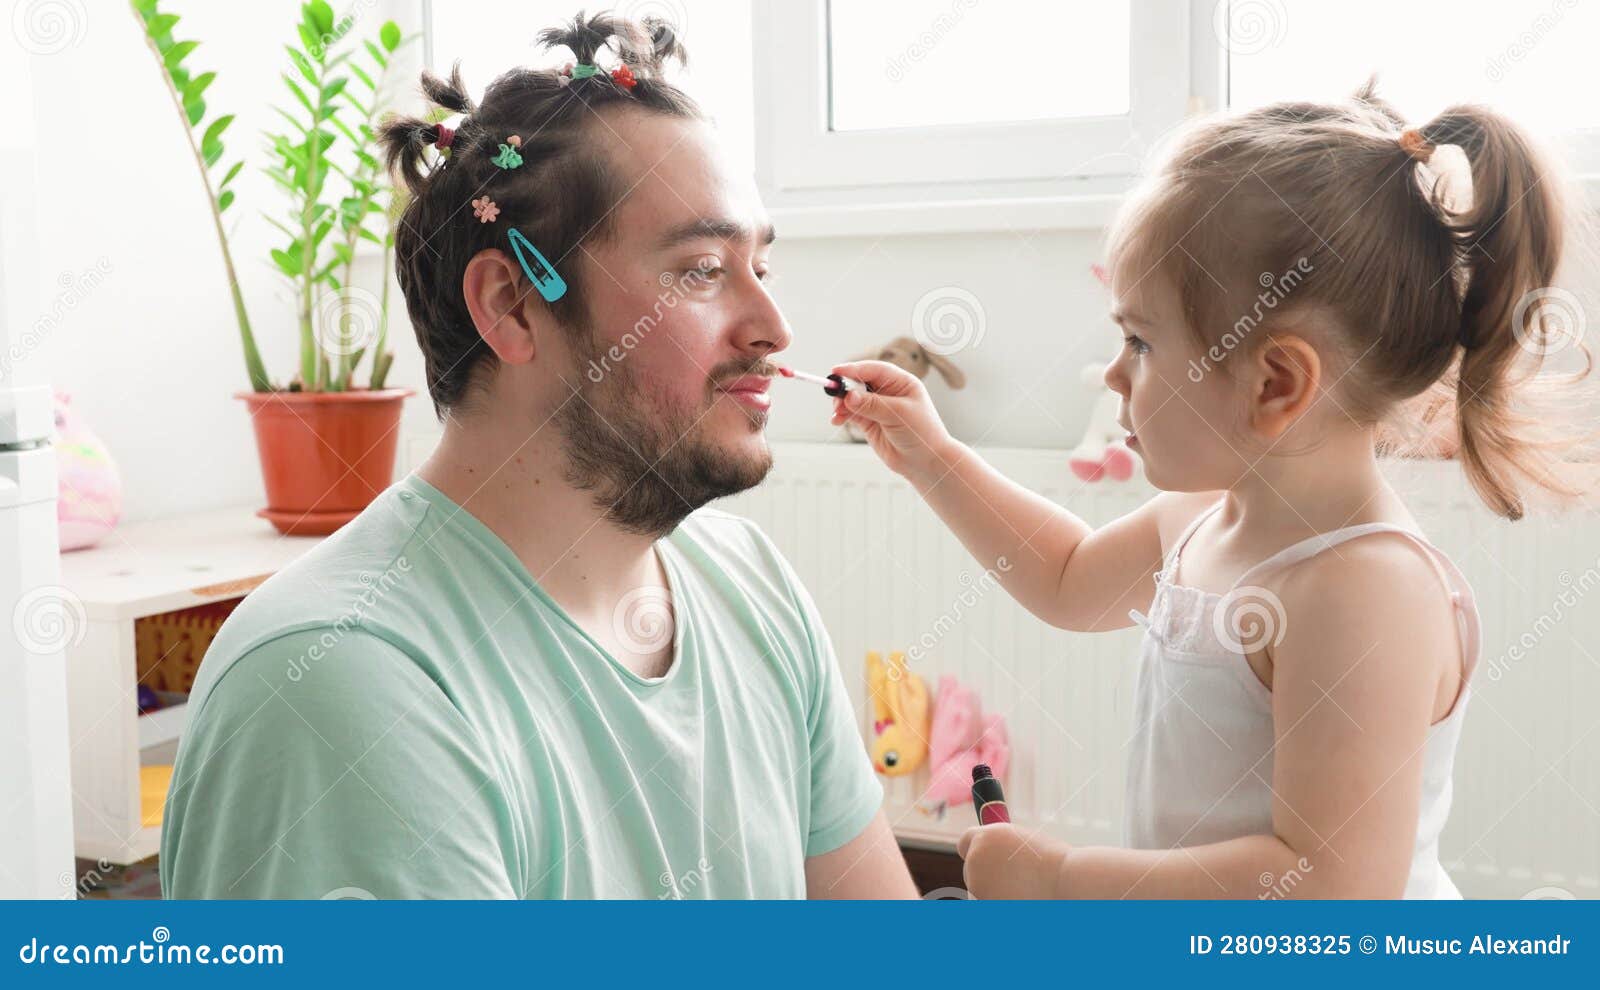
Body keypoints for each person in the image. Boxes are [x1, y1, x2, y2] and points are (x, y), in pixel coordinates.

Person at [160, 12, 915, 900]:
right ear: (512, 304)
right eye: (702, 270)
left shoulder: (755, 589)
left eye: (762, 268)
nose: (774, 327)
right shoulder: (347, 684)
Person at [830, 84, 1593, 898]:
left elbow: (1330, 887)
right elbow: (1066, 579)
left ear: (1275, 383)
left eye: (1140, 341)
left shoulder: (1365, 587)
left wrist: (1063, 880)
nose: (1114, 374)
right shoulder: (1203, 519)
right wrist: (932, 457)